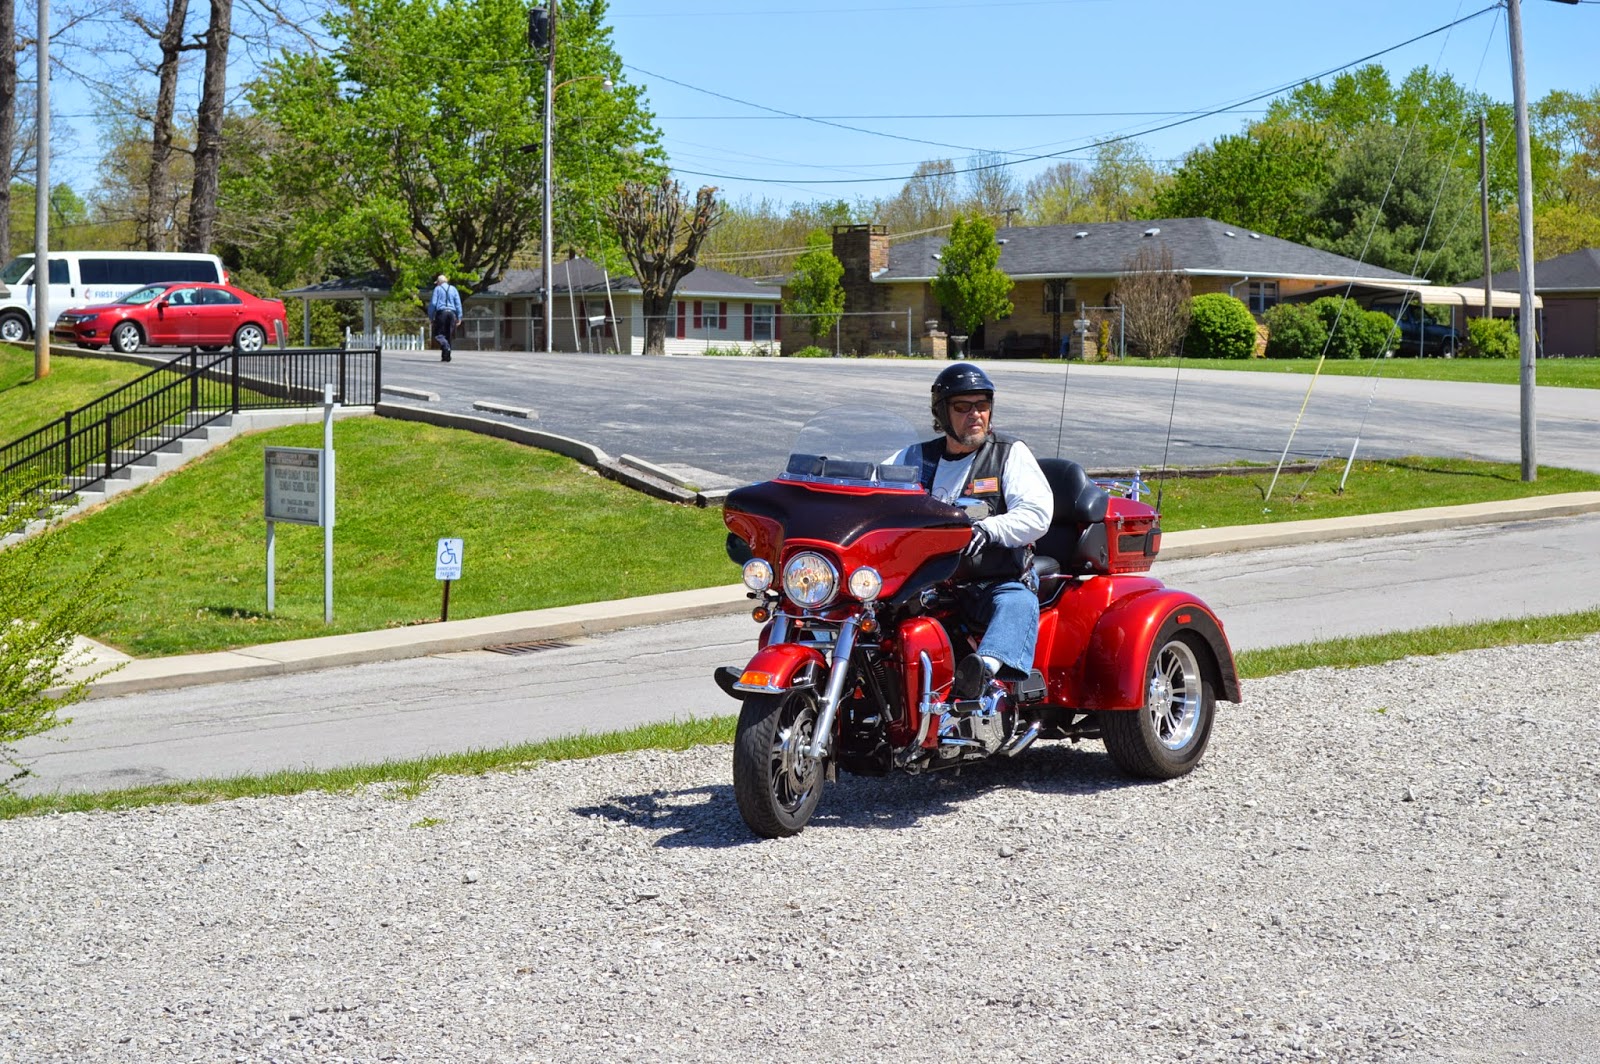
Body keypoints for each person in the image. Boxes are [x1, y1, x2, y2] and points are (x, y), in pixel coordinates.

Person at [892, 362, 1054, 700]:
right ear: (942, 413)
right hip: (926, 582)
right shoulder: (913, 458)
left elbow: (1037, 513)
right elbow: (872, 490)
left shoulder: (1008, 454)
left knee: (1017, 601)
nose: (975, 415)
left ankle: (983, 671)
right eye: (963, 407)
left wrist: (989, 529)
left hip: (992, 581)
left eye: (981, 406)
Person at [428, 274, 463, 362]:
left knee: (439, 334)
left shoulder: (437, 289)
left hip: (441, 313)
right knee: (448, 335)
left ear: (439, 282)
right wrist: (459, 316)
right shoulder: (453, 289)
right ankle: (446, 356)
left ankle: (446, 347)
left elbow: (433, 304)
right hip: (451, 313)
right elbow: (458, 304)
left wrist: (431, 317)